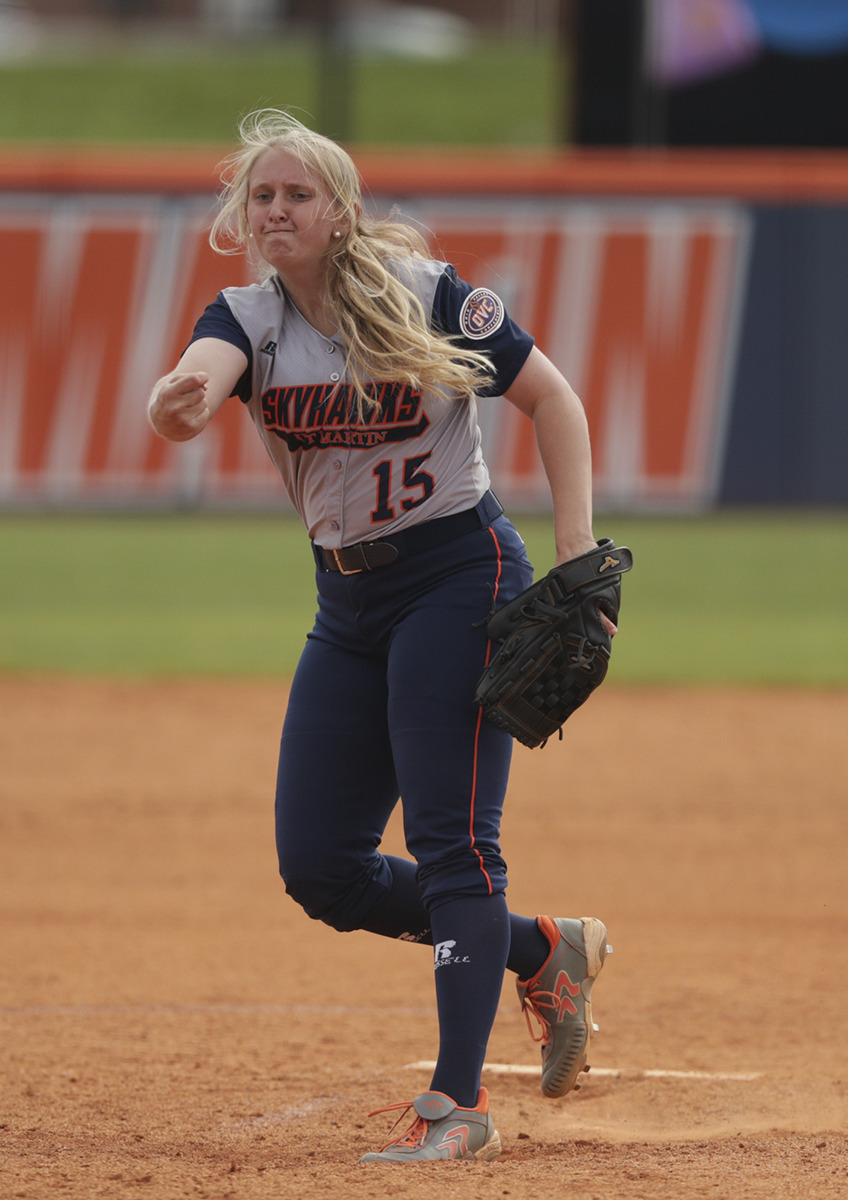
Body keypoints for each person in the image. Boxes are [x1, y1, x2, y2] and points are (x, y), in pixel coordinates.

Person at [146, 109, 616, 1163]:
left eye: (295, 195)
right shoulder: (244, 319)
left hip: (460, 575)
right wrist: (177, 403)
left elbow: (556, 402)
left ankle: (459, 1108)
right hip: (347, 606)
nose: (274, 211)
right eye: (260, 196)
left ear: (341, 212)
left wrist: (579, 554)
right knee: (321, 866)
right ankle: (544, 948)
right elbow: (195, 389)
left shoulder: (429, 294)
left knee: (452, 843)